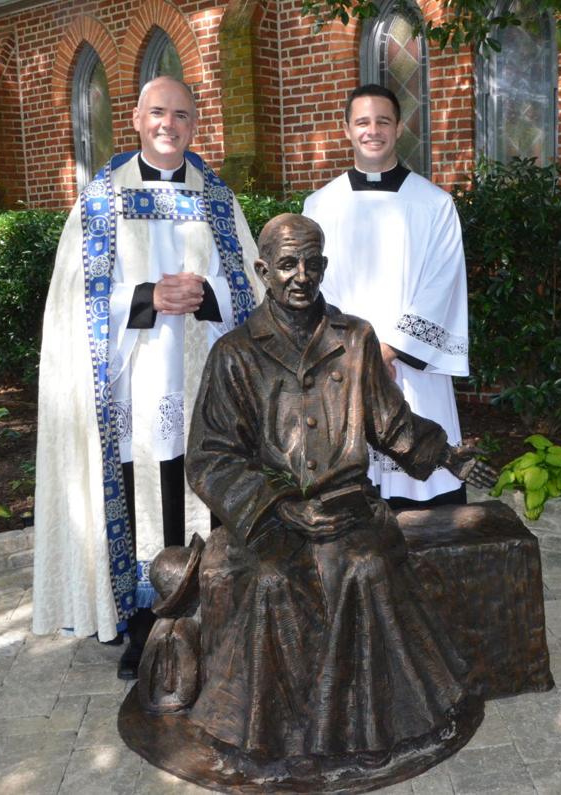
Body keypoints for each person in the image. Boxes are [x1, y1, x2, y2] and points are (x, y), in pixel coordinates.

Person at [180, 213, 496, 788]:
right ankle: (275, 739)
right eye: (286, 264)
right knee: (275, 581)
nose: (302, 276)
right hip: (270, 514)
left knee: (368, 569)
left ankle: (373, 731)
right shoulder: (235, 353)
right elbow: (210, 455)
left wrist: (446, 455)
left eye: (313, 263)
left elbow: (389, 421)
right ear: (263, 271)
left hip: (348, 507)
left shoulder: (355, 339)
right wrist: (270, 505)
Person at [31, 76, 264, 679]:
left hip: (205, 390)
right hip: (132, 388)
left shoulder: (218, 199)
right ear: (135, 119)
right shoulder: (103, 198)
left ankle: (209, 617)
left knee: (203, 497)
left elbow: (253, 290)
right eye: (157, 112)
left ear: (195, 123)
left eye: (182, 114)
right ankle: (146, 626)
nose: (169, 124)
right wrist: (146, 295)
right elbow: (73, 300)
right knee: (142, 501)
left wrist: (208, 293)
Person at [303, 84, 470, 509]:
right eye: (362, 122)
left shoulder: (434, 205)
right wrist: (358, 353)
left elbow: (442, 283)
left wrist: (390, 350)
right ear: (346, 130)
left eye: (382, 121)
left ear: (398, 128)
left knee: (425, 501)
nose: (372, 130)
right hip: (344, 367)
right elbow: (311, 289)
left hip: (413, 372)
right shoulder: (320, 206)